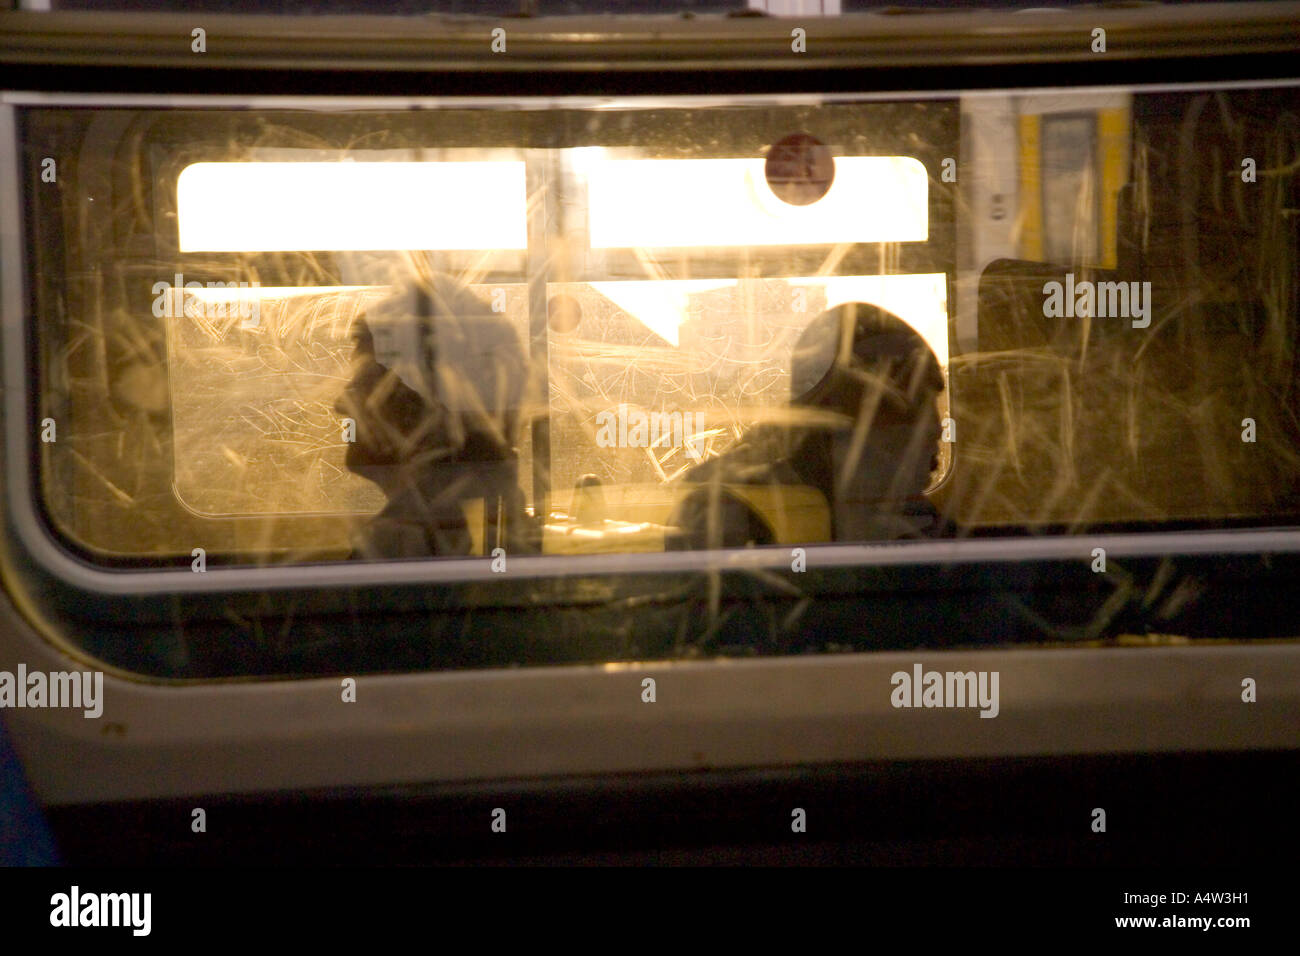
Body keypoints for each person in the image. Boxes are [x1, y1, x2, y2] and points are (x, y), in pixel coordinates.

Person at [666, 302, 946, 550]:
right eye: (916, 408)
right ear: (849, 414)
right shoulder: (730, 508)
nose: (937, 427)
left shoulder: (900, 507)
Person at [334, 275, 533, 559]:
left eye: (361, 385)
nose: (339, 404)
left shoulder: (402, 545)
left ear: (412, 406)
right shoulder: (490, 525)